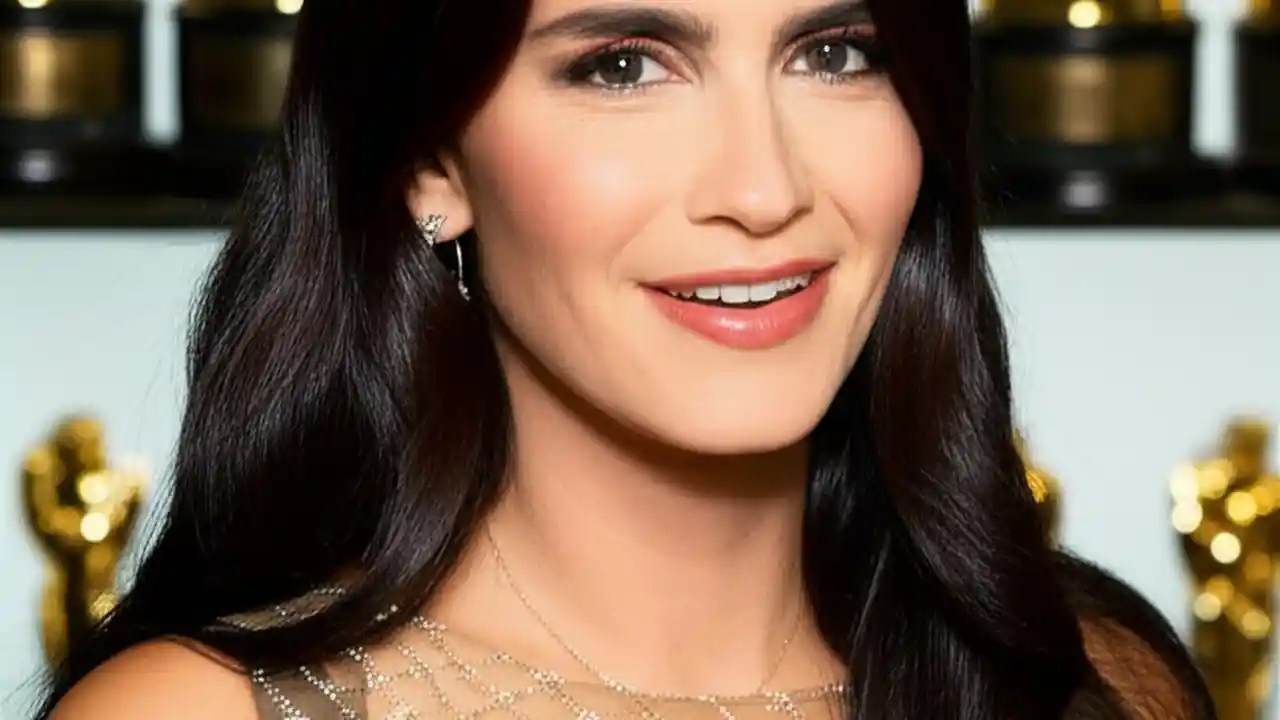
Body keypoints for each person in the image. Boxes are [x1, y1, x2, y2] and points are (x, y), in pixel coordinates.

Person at [37, 0, 1215, 718]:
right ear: (431, 162)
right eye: (622, 65)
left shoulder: (1092, 686)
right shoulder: (196, 714)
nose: (764, 190)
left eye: (837, 53)